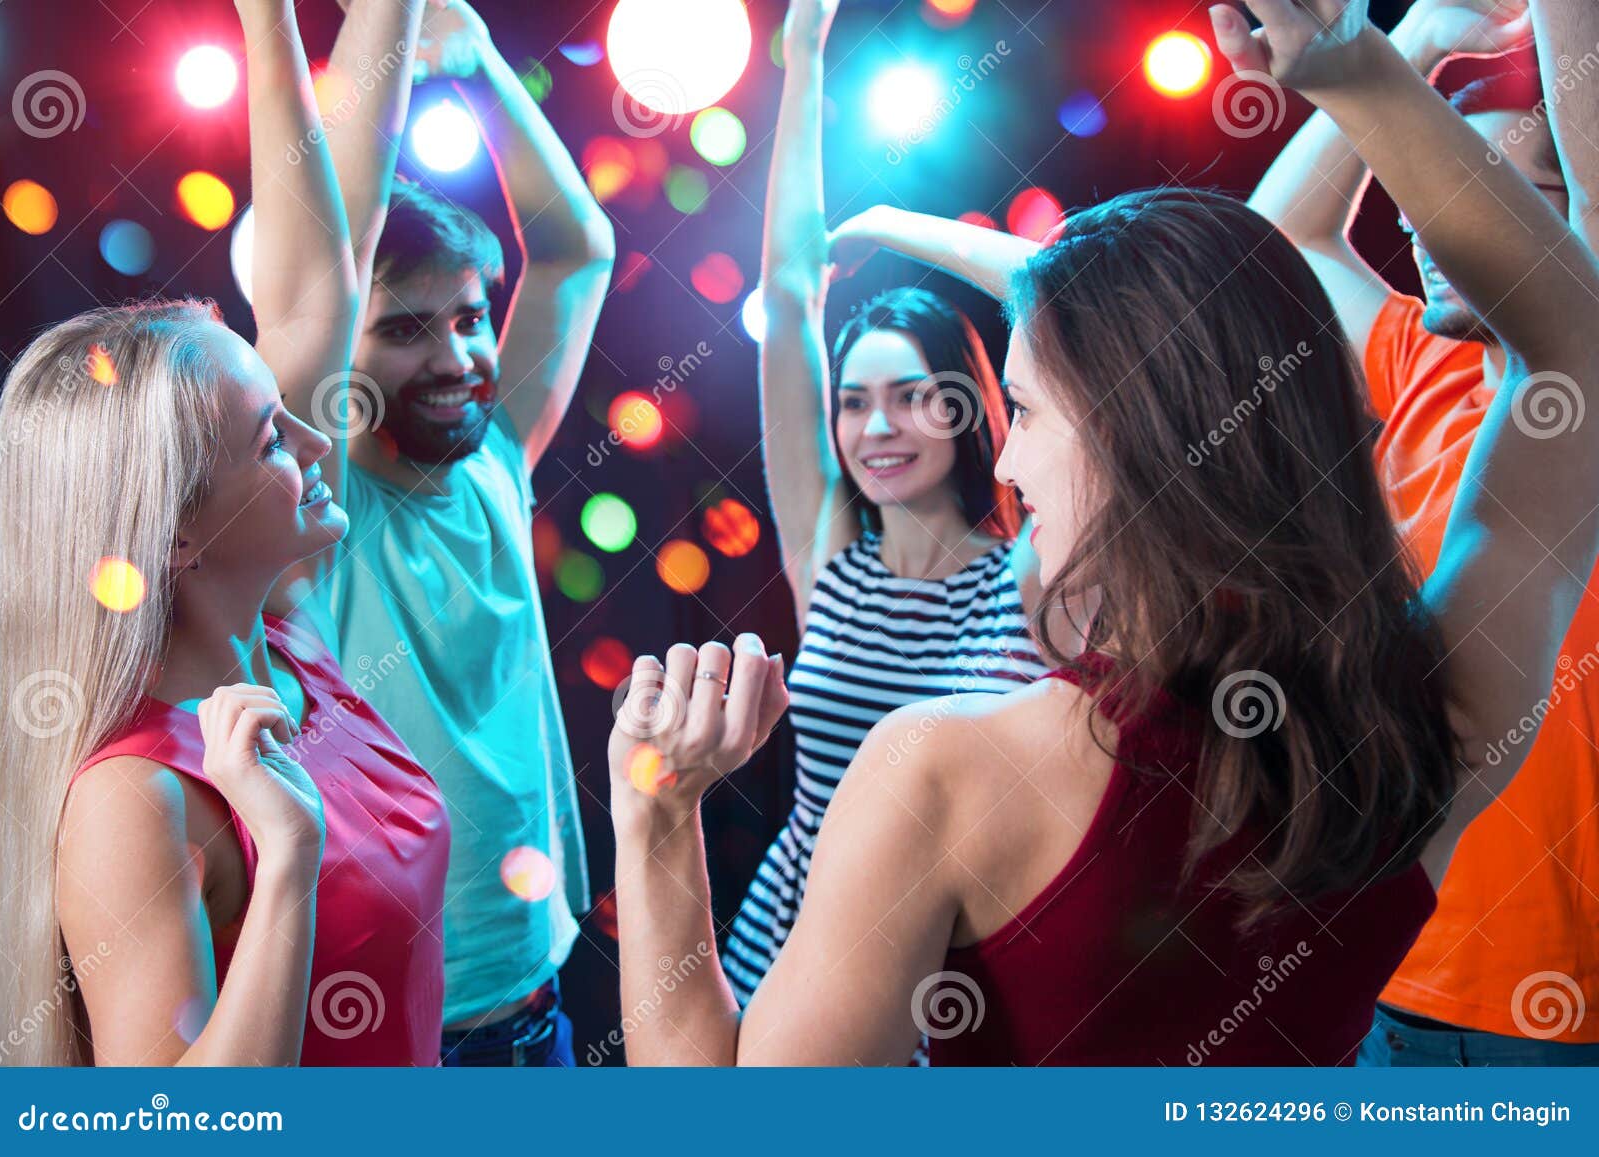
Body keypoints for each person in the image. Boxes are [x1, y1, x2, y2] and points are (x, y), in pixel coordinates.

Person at [602, 0, 1599, 1066]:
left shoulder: (940, 773)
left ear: (1135, 444)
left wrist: (655, 818)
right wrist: (1356, 64)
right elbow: (1575, 349)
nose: (1009, 461)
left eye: (1020, 409)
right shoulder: (1435, 724)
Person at [0, 0, 448, 1066]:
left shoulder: (279, 632)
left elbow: (316, 287)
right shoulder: (133, 799)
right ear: (181, 533)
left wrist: (275, 18)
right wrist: (288, 860)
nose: (315, 433)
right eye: (269, 436)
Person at [1249, 0, 1599, 1062]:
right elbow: (1274, 244)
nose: (1427, 227)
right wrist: (1421, 35)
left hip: (1553, 1015)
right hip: (1382, 970)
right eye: (1415, 194)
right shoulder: (1417, 363)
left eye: (1480, 198)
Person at [271, 0, 614, 1065]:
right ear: (342, 343)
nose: (462, 353)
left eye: (469, 316)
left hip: (534, 1007)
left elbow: (576, 248)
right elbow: (333, 247)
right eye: (405, 328)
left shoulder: (495, 456)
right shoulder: (314, 507)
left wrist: (482, 68)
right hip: (389, 1040)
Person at [722, 0, 1050, 1017]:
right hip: (780, 949)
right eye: (854, 400)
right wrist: (800, 56)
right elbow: (783, 297)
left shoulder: (1030, 574)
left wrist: (904, 230)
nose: (876, 426)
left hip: (945, 982)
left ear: (966, 405)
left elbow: (1072, 290)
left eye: (910, 394)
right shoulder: (828, 554)